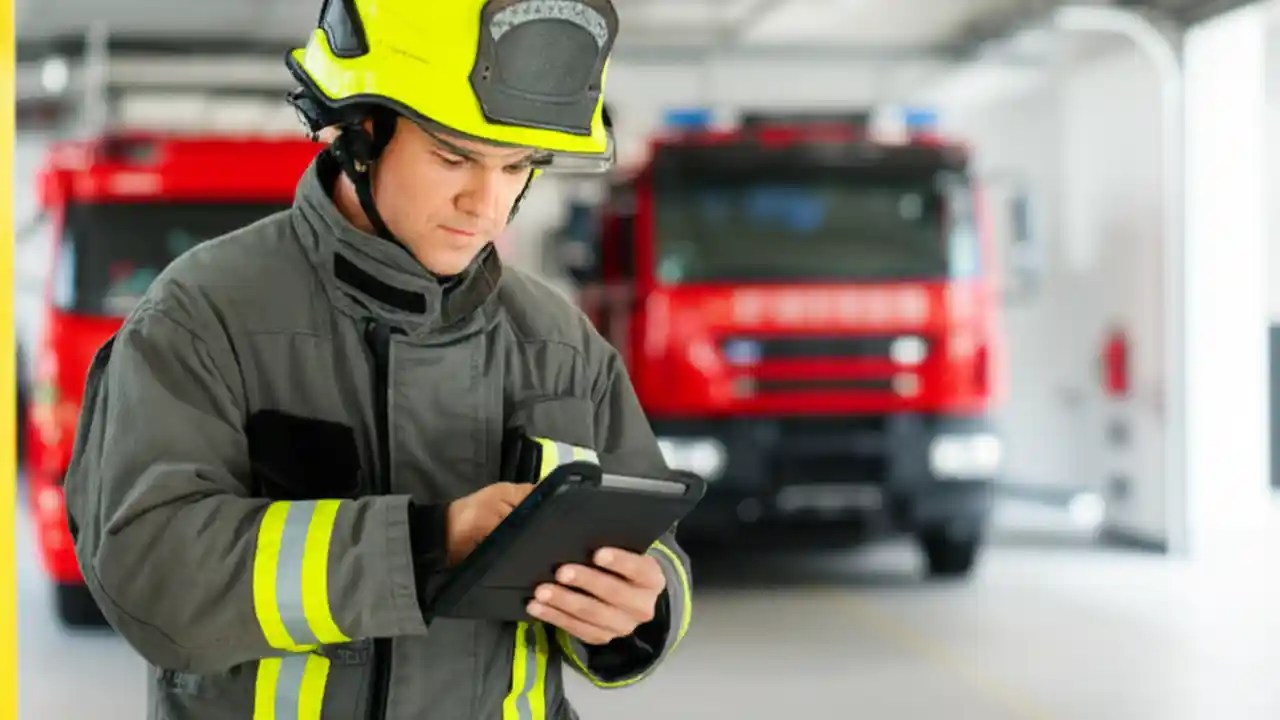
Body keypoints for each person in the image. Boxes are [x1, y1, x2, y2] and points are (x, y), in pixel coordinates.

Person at [62, 1, 694, 718]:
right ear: (357, 134)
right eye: (452, 156)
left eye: (518, 165)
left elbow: (656, 550)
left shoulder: (562, 346)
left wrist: (637, 611)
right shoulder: (205, 317)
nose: (487, 204)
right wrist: (427, 543)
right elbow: (152, 577)